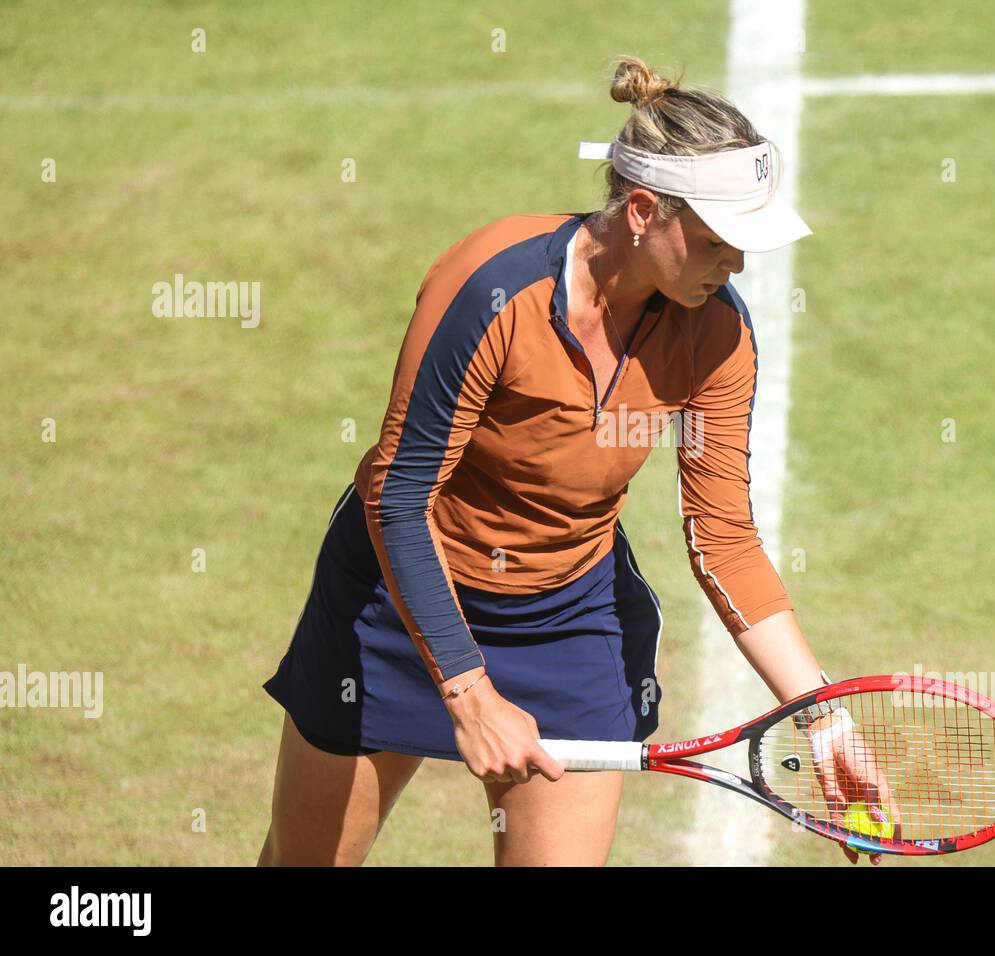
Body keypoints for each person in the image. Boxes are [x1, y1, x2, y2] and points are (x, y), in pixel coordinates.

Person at [258, 55, 880, 867]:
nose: (736, 264)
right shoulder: (489, 290)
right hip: (398, 598)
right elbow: (397, 498)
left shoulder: (716, 334)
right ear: (645, 211)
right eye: (719, 240)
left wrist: (822, 714)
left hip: (566, 621)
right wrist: (469, 691)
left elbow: (723, 540)